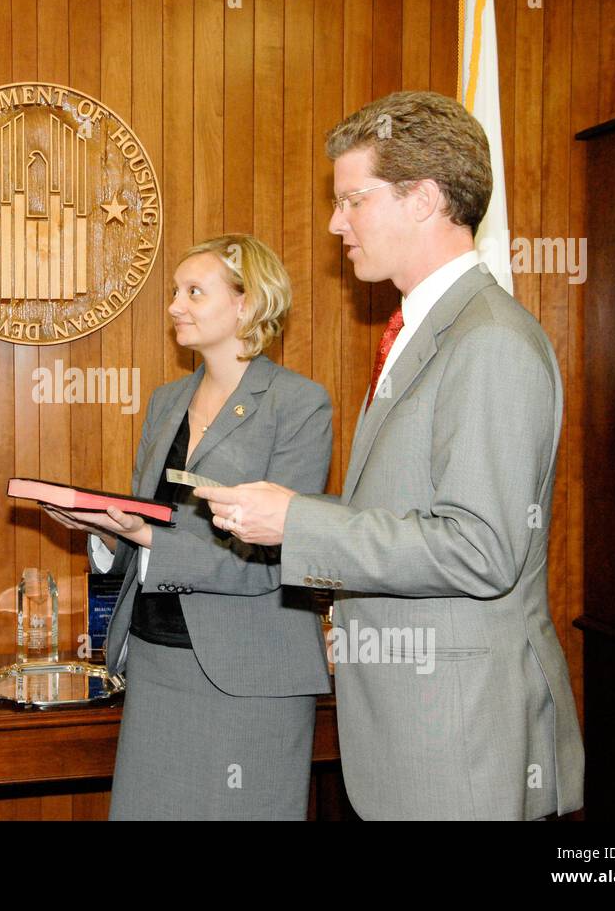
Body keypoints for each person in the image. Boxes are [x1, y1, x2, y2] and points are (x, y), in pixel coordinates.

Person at [190, 91, 584, 820]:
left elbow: (480, 547)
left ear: (424, 199)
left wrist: (299, 524)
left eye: (353, 200)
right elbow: (404, 517)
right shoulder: (422, 329)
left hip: (461, 745)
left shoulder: (490, 340)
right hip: (413, 738)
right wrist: (287, 521)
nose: (336, 222)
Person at [44, 235, 333, 820]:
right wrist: (105, 533)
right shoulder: (165, 401)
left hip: (251, 673)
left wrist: (149, 538)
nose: (174, 305)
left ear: (247, 305)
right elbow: (150, 528)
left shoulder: (298, 405)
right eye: (175, 292)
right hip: (155, 662)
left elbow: (276, 556)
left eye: (193, 292)